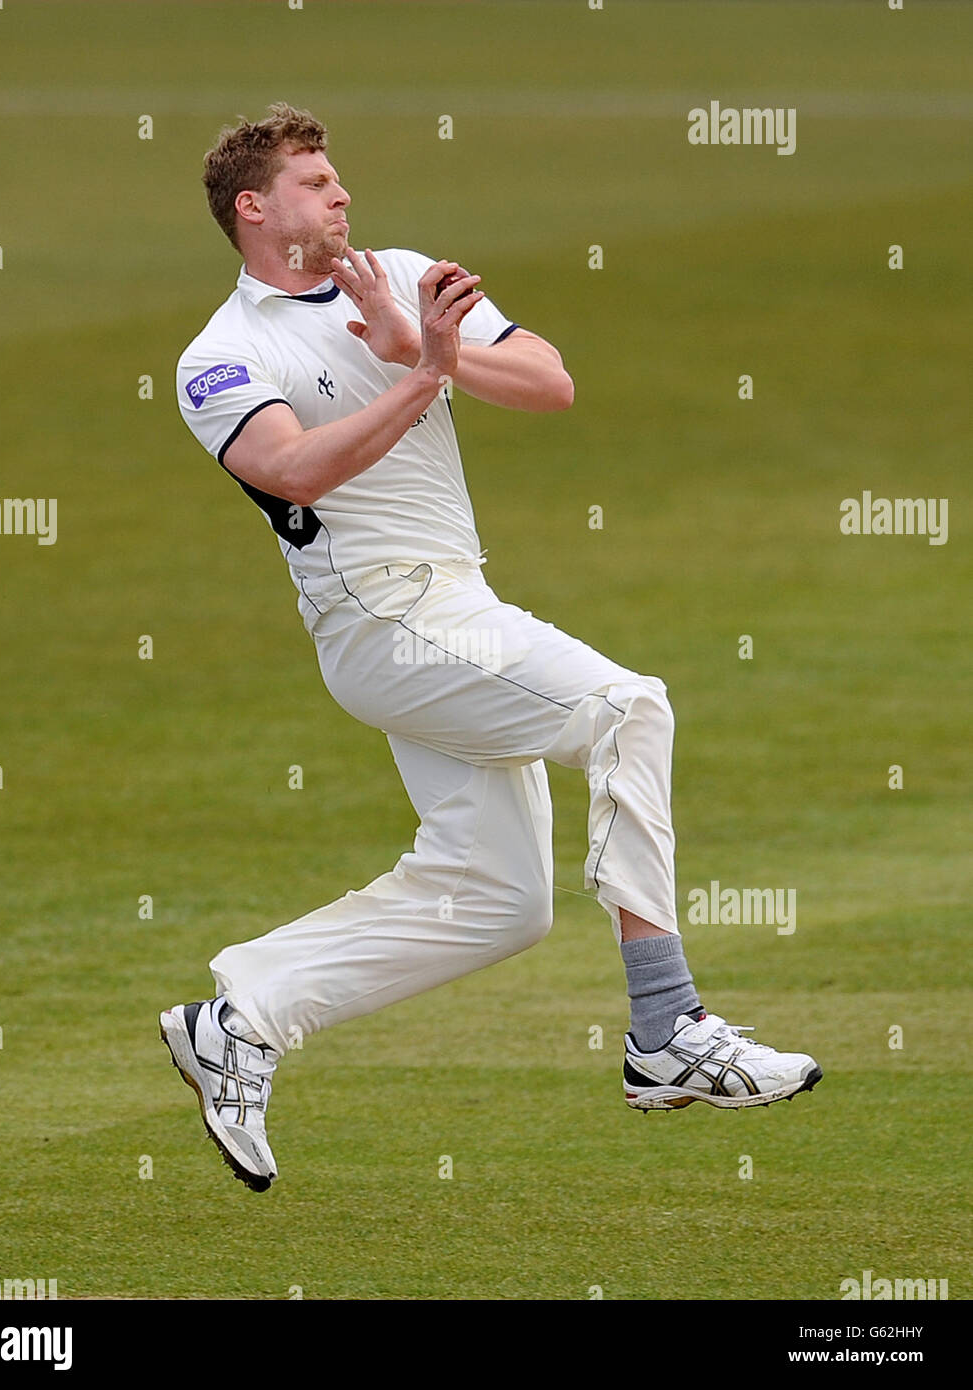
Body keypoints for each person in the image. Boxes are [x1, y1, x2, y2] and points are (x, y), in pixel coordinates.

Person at [162, 102, 821, 1192]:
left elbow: (551, 383)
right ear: (253, 207)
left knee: (496, 898)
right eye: (316, 183)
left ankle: (240, 1018)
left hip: (452, 604)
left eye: (337, 178)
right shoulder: (220, 356)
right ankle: (666, 1027)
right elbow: (292, 471)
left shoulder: (408, 276)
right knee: (627, 707)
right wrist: (419, 374)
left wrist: (429, 347)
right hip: (380, 618)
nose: (341, 196)